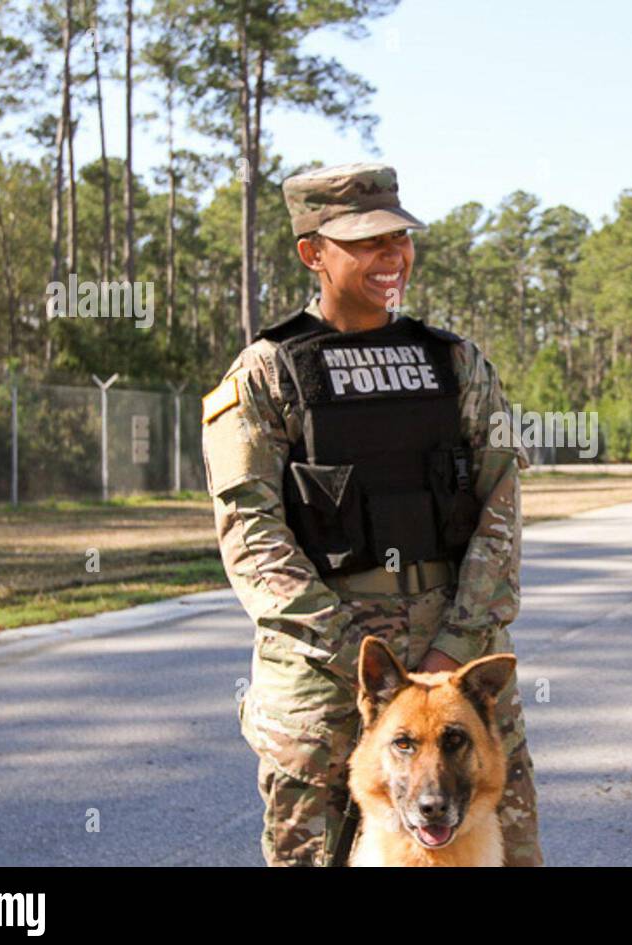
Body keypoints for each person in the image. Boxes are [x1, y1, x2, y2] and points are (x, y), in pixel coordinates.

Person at [201, 162, 542, 866]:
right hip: (324, 678)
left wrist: (456, 648)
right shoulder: (267, 374)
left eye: (399, 238)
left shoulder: (456, 365)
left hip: (455, 664)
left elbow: (500, 509)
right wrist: (361, 668)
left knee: (506, 855)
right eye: (365, 243)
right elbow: (251, 533)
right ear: (312, 253)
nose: (391, 258)